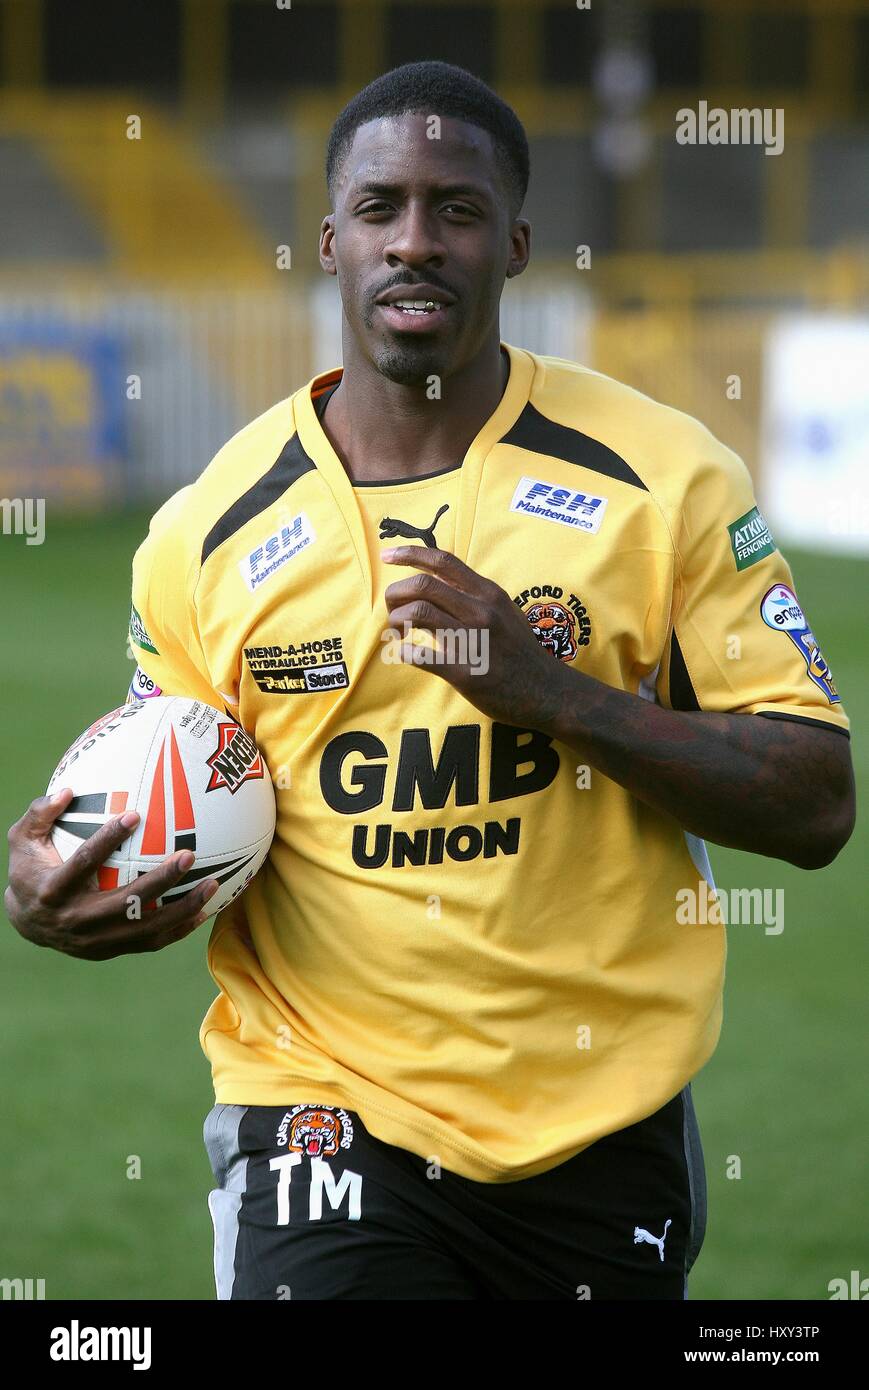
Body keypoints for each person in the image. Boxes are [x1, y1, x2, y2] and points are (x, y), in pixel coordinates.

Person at [6, 62, 855, 1301]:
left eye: (455, 210)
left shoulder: (663, 480)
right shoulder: (205, 531)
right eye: (381, 208)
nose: (416, 240)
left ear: (512, 243)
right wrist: (63, 882)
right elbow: (171, 792)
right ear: (329, 240)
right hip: (319, 1110)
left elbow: (813, 800)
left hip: (596, 1126)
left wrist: (552, 694)